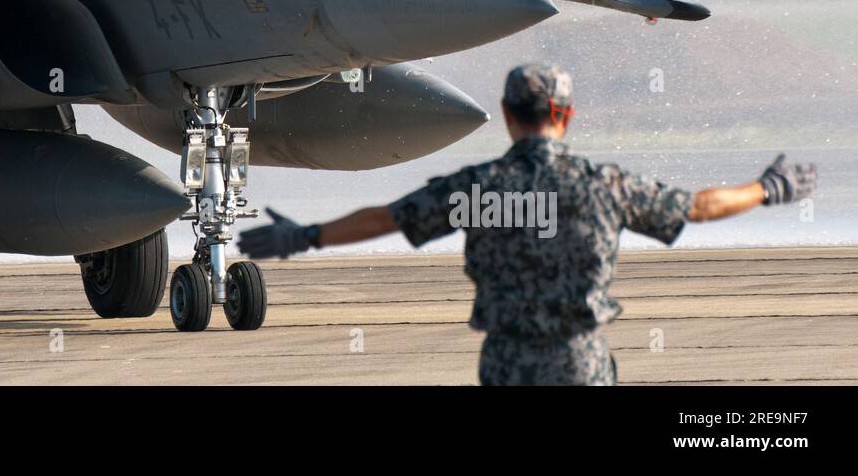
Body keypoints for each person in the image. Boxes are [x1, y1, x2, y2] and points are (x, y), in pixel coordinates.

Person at [237, 63, 819, 385]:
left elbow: (385, 220)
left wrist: (305, 237)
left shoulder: (476, 187)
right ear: (565, 116)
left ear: (510, 116)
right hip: (579, 363)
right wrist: (768, 189)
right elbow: (699, 207)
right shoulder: (604, 186)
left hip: (507, 364)